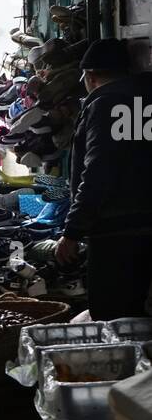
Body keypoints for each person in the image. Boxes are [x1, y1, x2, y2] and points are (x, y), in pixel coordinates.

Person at [55, 39, 152, 319]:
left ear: (91, 76)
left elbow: (99, 171)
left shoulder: (105, 104)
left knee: (112, 318)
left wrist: (72, 231)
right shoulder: (141, 101)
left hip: (115, 234)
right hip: (144, 225)